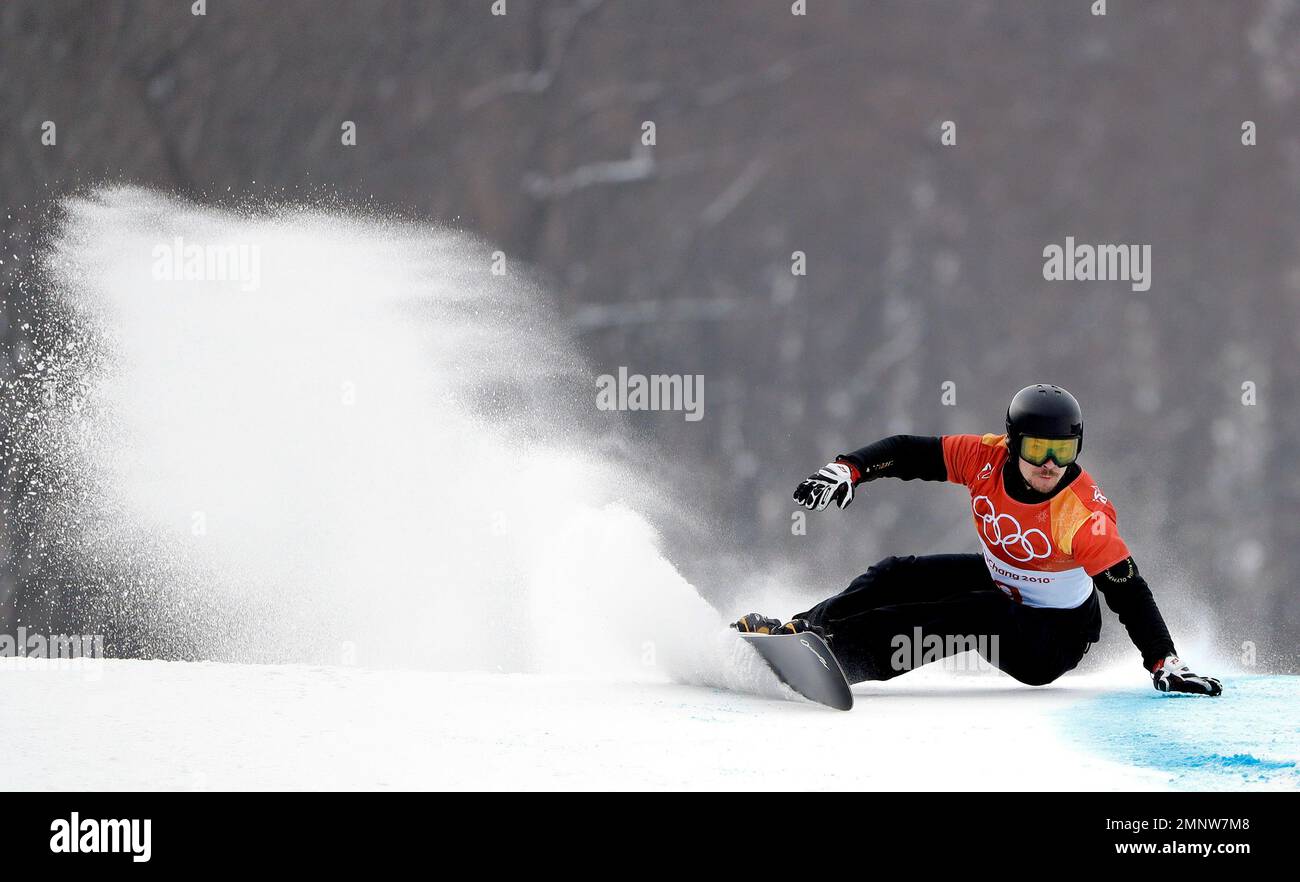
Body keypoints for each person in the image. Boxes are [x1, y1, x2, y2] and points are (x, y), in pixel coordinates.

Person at [735, 383, 1222, 696]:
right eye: (1037, 449)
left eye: (1063, 451)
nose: (1051, 464)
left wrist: (1164, 662)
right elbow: (909, 454)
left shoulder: (1081, 514)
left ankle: (839, 656)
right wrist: (850, 469)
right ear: (1012, 443)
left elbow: (1129, 592)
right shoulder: (983, 459)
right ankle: (798, 631)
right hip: (1005, 583)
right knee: (896, 574)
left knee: (967, 616)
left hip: (1052, 639)